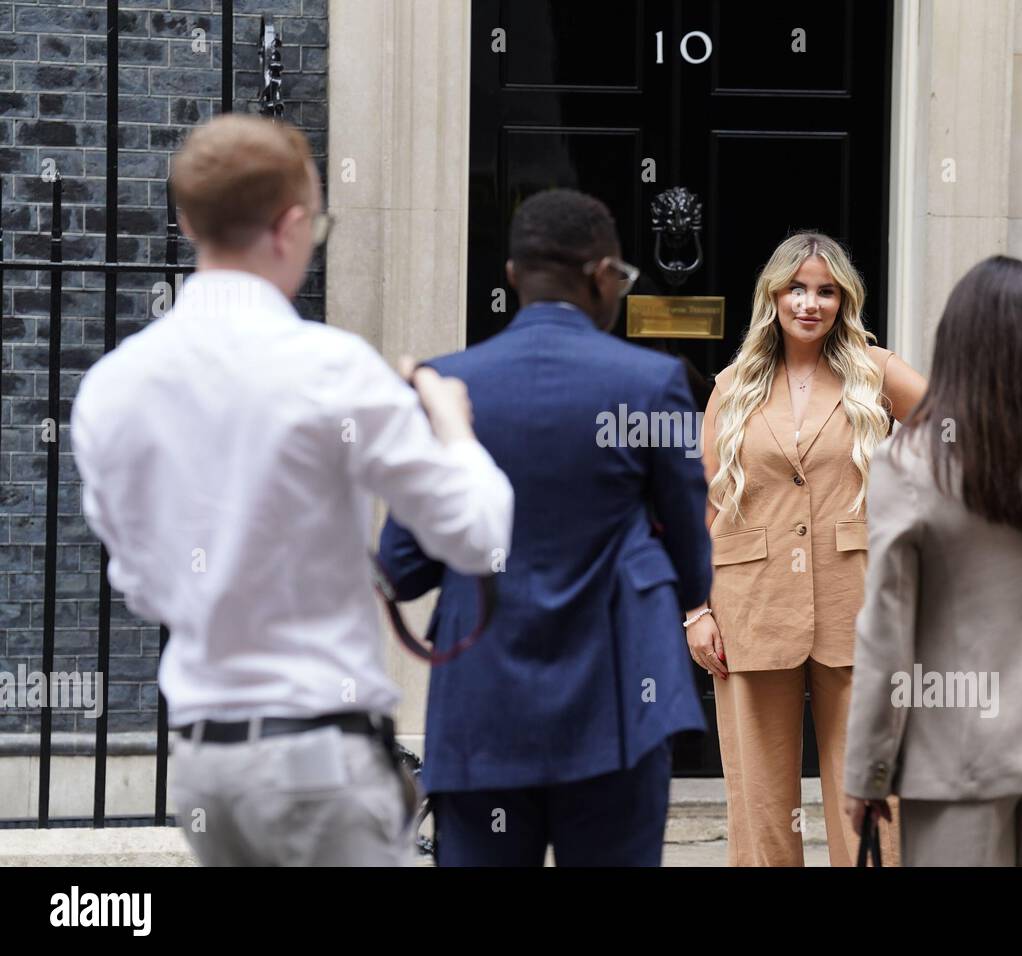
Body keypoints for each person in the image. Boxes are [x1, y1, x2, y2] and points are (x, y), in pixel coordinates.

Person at [70, 115, 514, 866]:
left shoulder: (111, 387)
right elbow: (477, 535)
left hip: (205, 765)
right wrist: (454, 427)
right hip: (318, 760)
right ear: (293, 225)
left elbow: (142, 587)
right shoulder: (330, 368)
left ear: (186, 220)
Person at [376, 188, 712, 867]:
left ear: (510, 276)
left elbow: (402, 567)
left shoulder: (443, 384)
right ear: (602, 275)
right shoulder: (655, 383)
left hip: (483, 704)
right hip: (619, 705)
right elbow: (693, 571)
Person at [842, 255, 1022, 866]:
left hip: (958, 758)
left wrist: (868, 773)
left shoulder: (910, 464)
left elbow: (886, 635)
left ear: (955, 345)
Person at [690, 232, 927, 867]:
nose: (810, 303)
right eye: (797, 288)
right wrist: (696, 610)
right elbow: (706, 506)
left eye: (825, 291)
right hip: (749, 602)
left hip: (859, 601)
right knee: (759, 799)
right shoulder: (734, 385)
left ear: (843, 301)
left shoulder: (874, 371)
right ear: (773, 295)